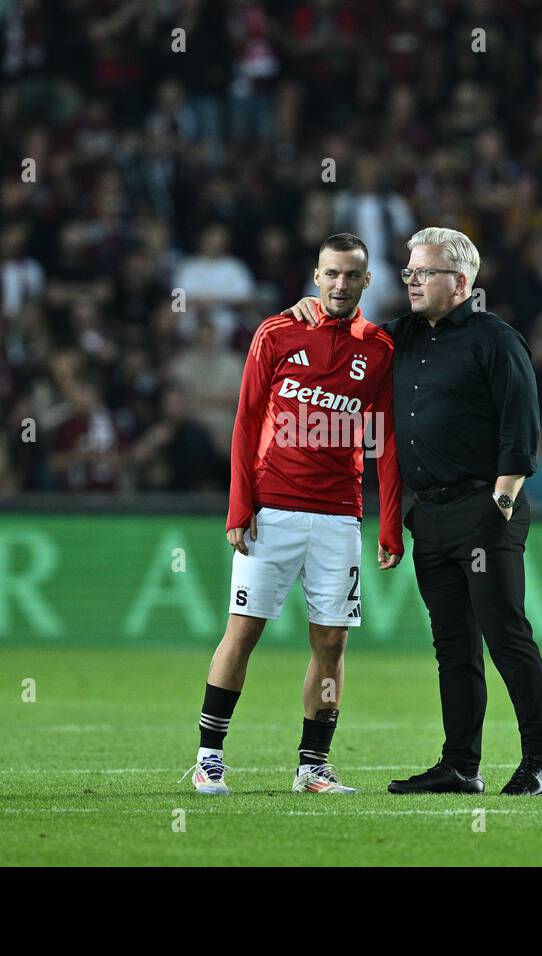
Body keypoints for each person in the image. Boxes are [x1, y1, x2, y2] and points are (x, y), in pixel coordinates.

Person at [285, 227, 542, 796]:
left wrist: (501, 504)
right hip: (430, 515)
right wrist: (305, 313)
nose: (410, 279)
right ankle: (461, 764)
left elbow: (521, 431)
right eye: (409, 271)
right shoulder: (399, 336)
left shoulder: (497, 340)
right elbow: (346, 343)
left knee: (504, 633)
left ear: (459, 282)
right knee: (452, 646)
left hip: (485, 507)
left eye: (423, 272)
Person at [186, 233, 402, 797]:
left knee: (331, 643)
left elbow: (388, 440)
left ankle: (313, 766)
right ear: (315, 276)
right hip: (273, 510)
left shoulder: (379, 348)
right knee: (243, 631)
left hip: (339, 516)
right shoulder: (276, 333)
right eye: (331, 274)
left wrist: (388, 521)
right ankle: (209, 757)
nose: (340, 284)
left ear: (366, 282)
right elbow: (245, 421)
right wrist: (239, 505)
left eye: (351, 276)